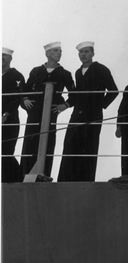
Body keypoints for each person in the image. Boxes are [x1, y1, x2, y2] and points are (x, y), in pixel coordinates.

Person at [58, 42, 118, 182]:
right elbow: (77, 94)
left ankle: (85, 181)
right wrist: (67, 104)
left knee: (89, 148)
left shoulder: (101, 69)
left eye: (86, 52)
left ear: (93, 53)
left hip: (93, 116)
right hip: (77, 115)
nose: (83, 55)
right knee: (70, 145)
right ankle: (67, 180)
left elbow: (113, 91)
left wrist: (100, 105)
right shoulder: (78, 72)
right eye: (81, 52)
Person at [20, 42, 75, 179]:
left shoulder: (64, 74)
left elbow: (74, 94)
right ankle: (25, 174)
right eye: (56, 51)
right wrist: (25, 99)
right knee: (30, 142)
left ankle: (44, 174)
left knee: (49, 142)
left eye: (60, 51)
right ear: (48, 54)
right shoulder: (36, 71)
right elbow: (24, 90)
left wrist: (65, 105)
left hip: (51, 113)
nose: (59, 53)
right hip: (34, 113)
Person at [2, 48, 25, 182]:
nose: (1, 58)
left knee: (5, 151)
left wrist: (6, 114)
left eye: (4, 55)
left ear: (10, 58)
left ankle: (16, 178)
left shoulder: (15, 76)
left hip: (8, 120)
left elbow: (16, 98)